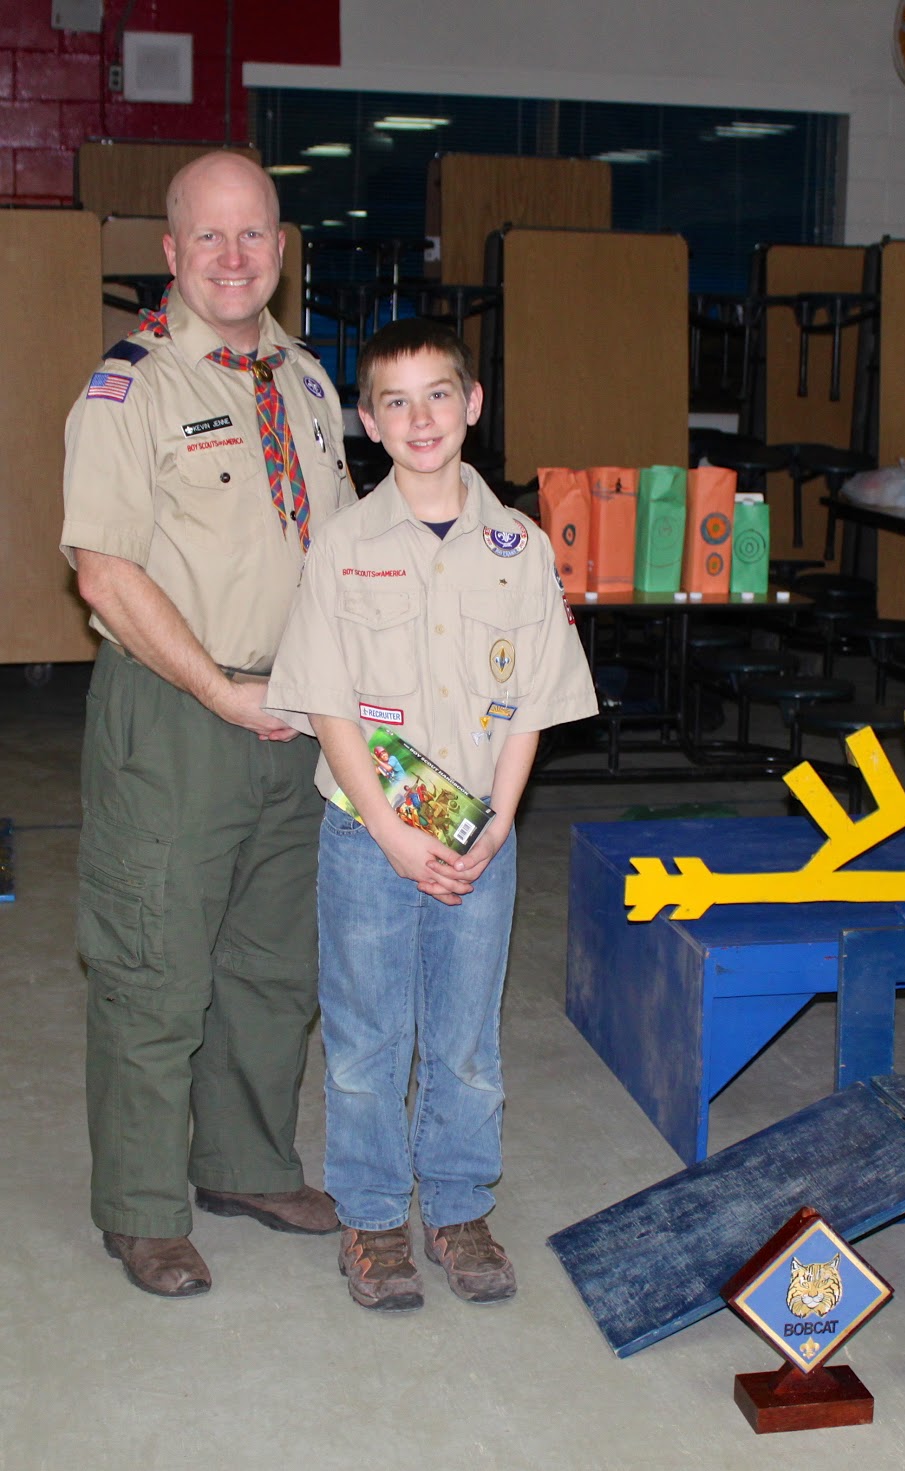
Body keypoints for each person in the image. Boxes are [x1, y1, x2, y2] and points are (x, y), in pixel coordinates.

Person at [62, 152, 354, 1297]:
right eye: (209, 237)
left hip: (300, 711)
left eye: (254, 235)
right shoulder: (129, 390)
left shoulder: (309, 383)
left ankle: (245, 1163)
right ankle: (141, 1206)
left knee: (274, 961)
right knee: (155, 959)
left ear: (281, 247)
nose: (235, 258)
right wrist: (222, 692)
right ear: (172, 252)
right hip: (179, 711)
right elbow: (104, 572)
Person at [264, 318, 597, 1311]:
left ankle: (458, 1209)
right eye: (396, 402)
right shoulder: (342, 545)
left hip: (478, 839)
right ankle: (371, 1221)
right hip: (368, 836)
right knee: (367, 1040)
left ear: (473, 403)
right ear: (367, 421)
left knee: (463, 1039)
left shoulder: (519, 546)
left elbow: (533, 702)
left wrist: (498, 823)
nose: (420, 419)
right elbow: (326, 702)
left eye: (438, 394)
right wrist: (389, 829)